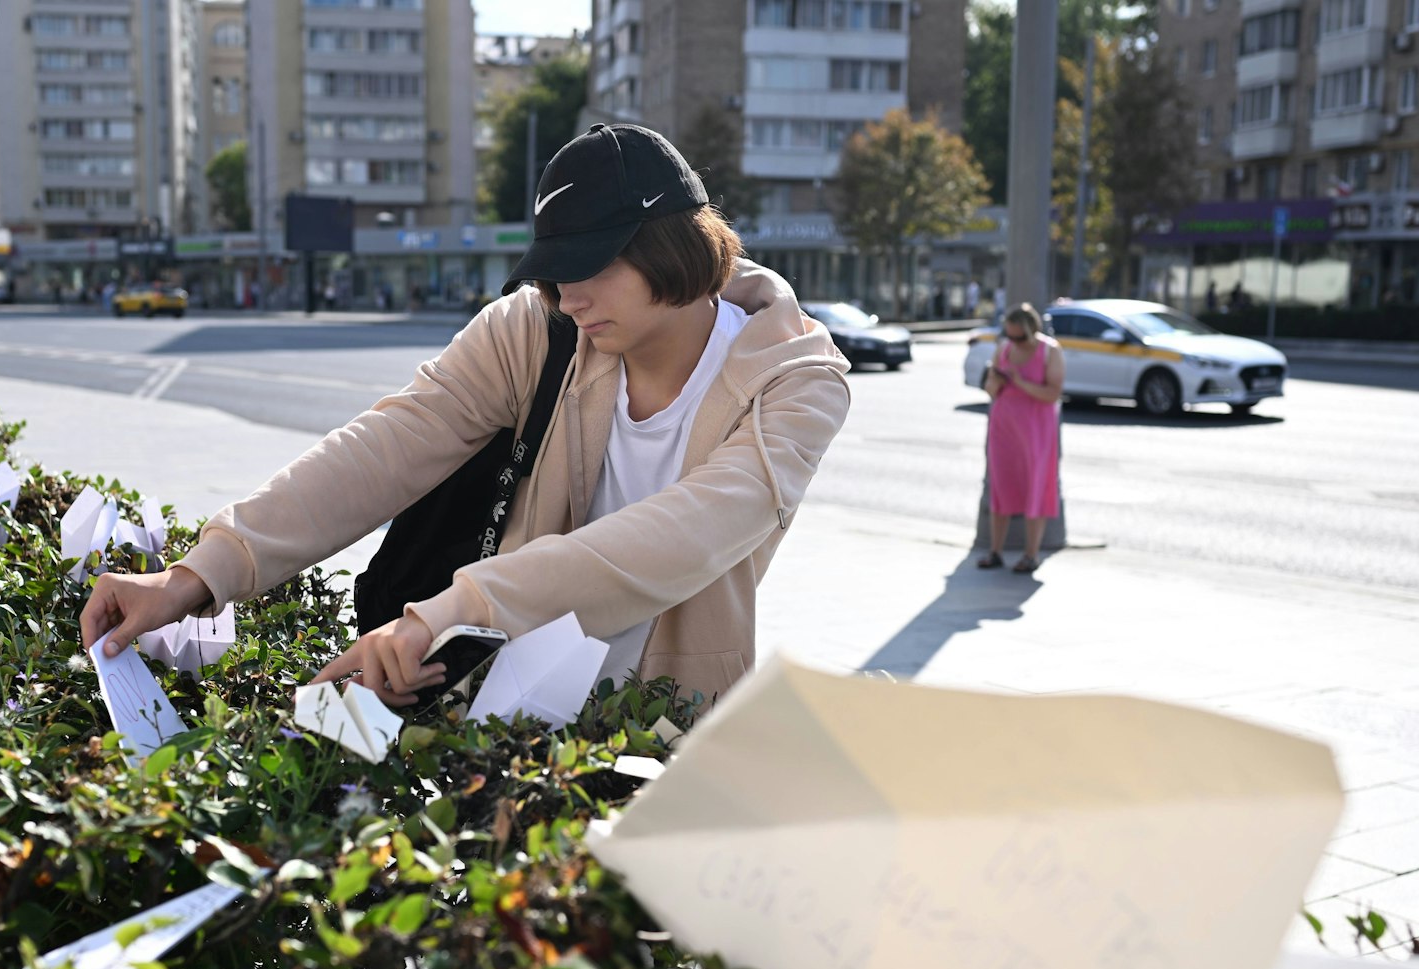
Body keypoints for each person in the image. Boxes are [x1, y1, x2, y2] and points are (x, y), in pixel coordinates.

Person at [80, 123, 850, 709]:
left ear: (674, 246)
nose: (567, 295)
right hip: (502, 718)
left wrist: (449, 613)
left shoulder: (795, 383)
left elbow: (679, 537)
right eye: (552, 272)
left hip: (663, 731)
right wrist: (197, 573)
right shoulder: (535, 329)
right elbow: (385, 447)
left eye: (592, 266)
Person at [976, 303, 1064, 576]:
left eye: (1019, 338)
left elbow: (1053, 393)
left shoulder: (1050, 350)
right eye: (1010, 336)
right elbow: (991, 391)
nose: (1014, 342)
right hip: (1004, 428)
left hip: (1037, 429)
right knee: (1001, 485)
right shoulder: (1003, 349)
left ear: (1032, 331)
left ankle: (1031, 555)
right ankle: (996, 551)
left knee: (1034, 485)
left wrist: (1019, 381)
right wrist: (996, 379)